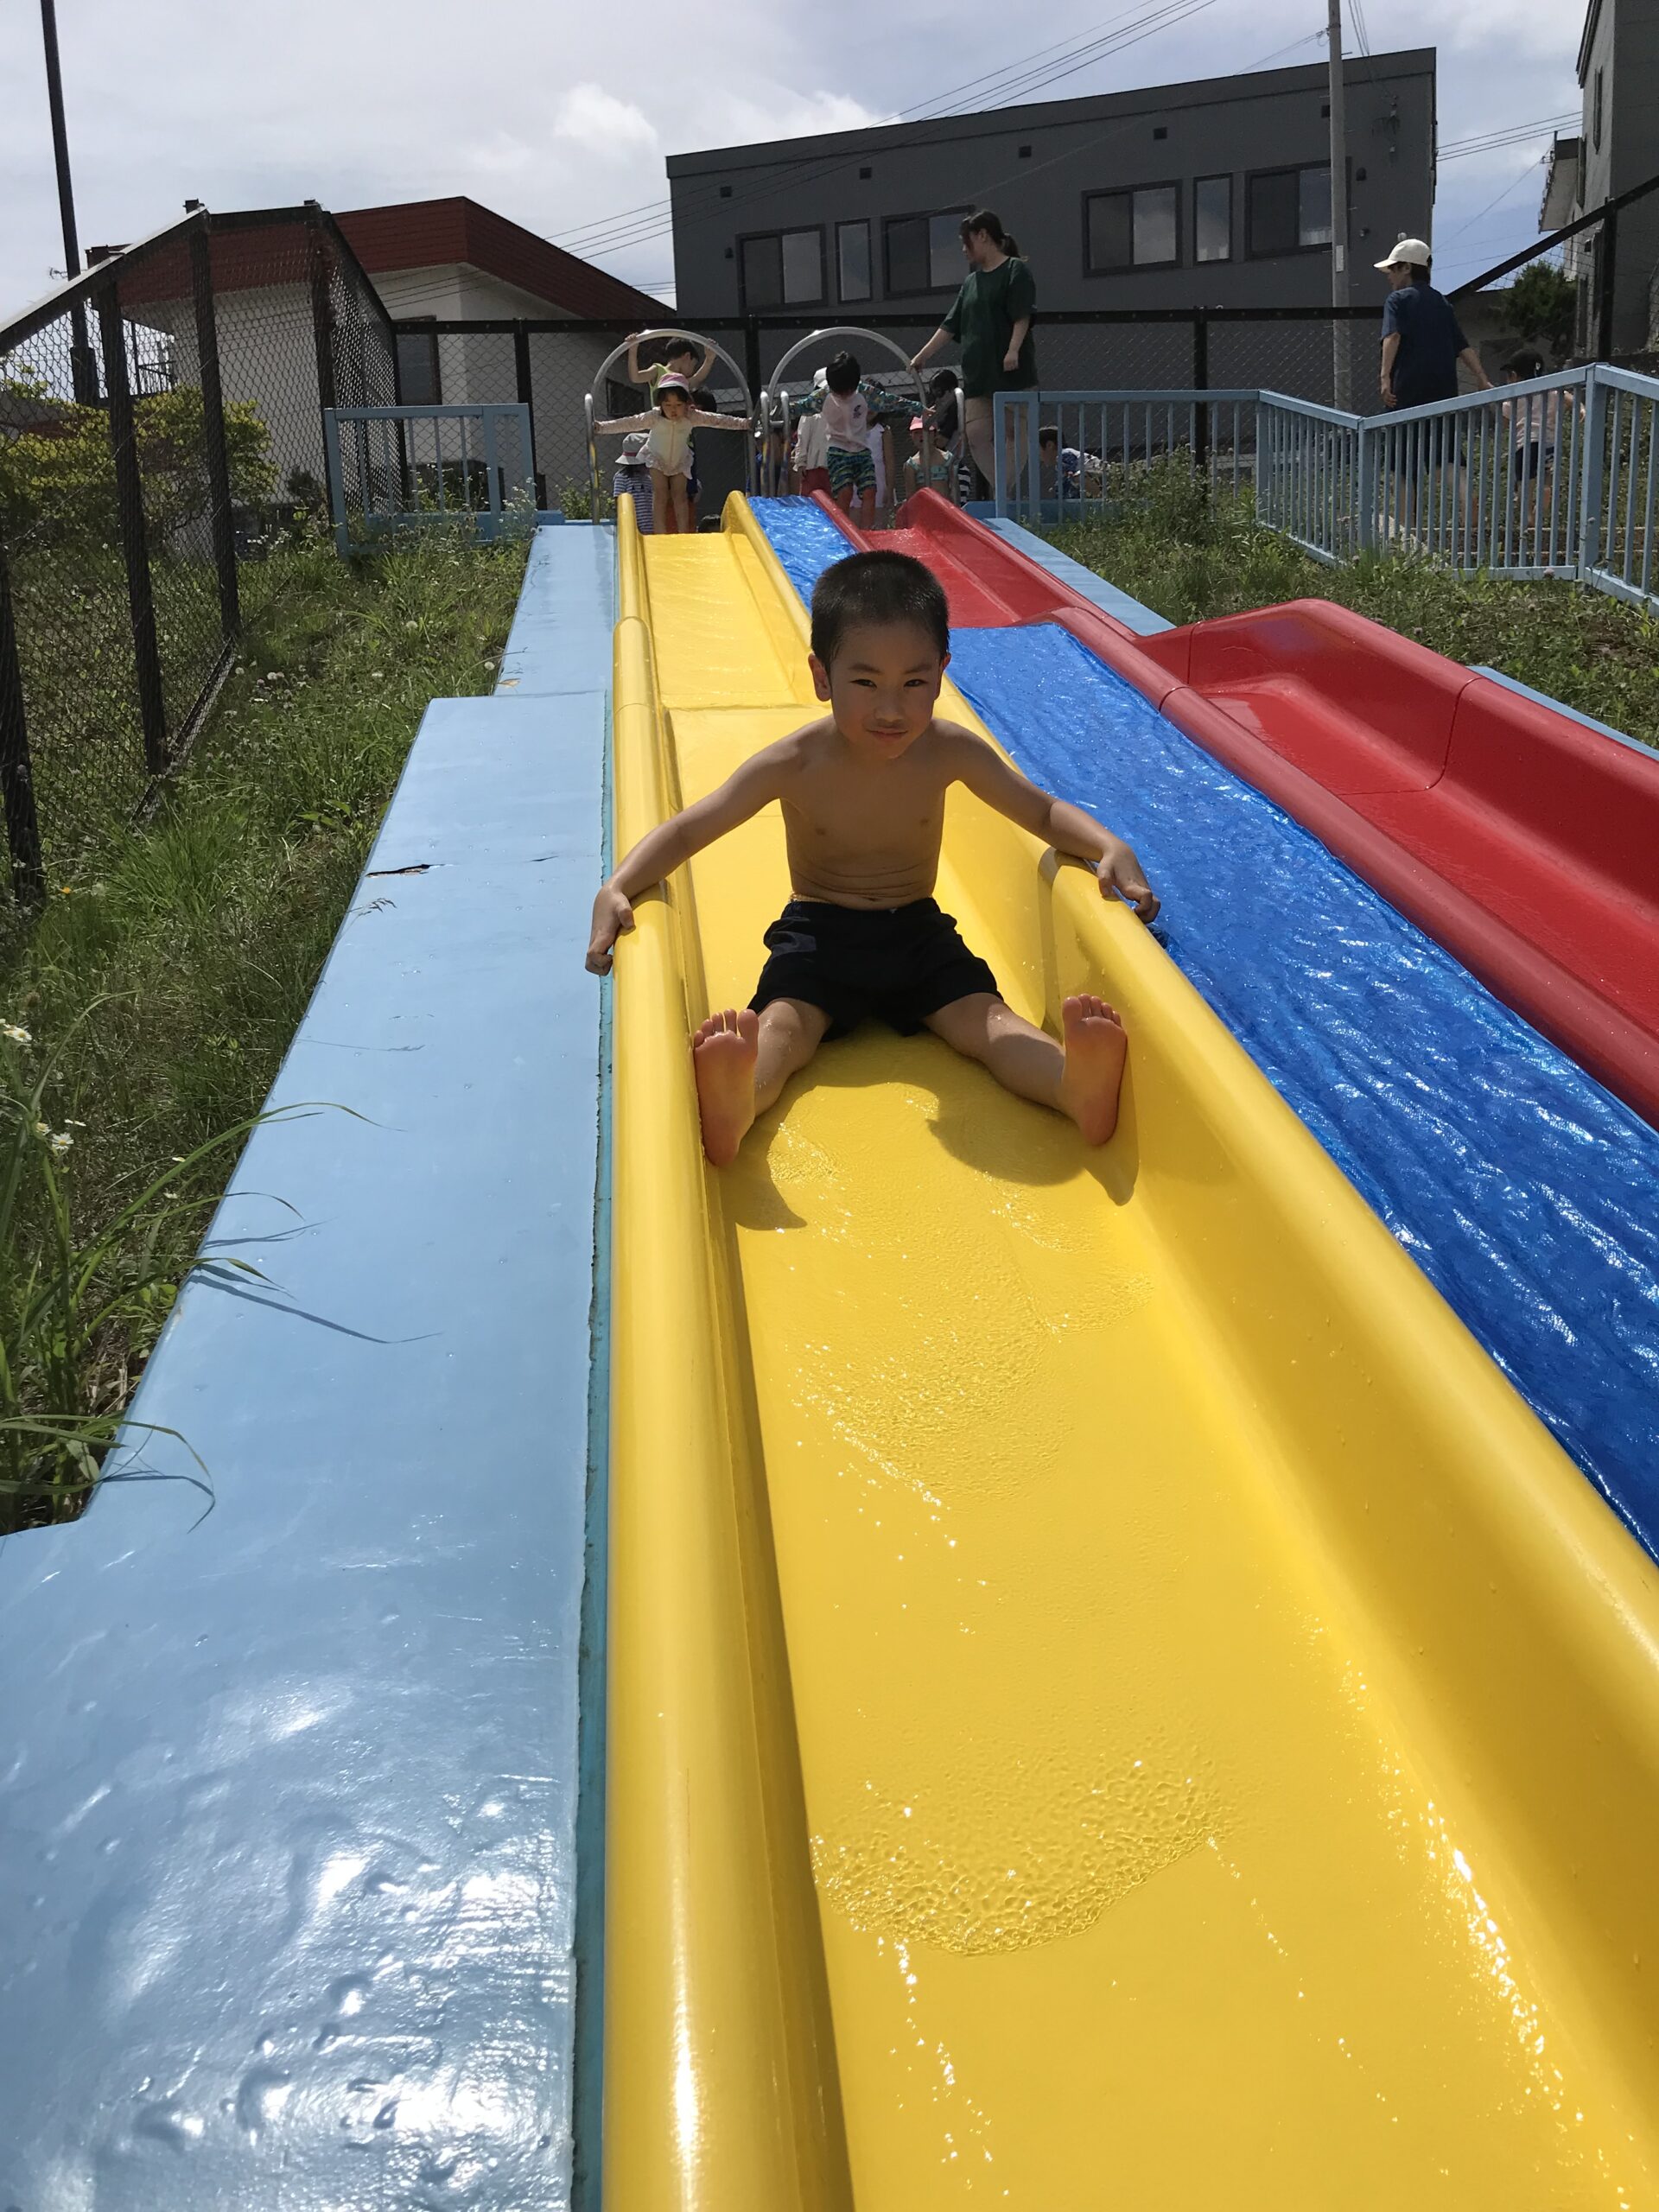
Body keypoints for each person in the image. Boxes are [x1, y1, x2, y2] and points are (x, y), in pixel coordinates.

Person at [585, 550, 1159, 1166]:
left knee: (987, 1022)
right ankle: (741, 1100)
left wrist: (1108, 844)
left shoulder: (948, 751)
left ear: (941, 674)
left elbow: (1041, 814)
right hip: (820, 935)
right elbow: (690, 828)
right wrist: (618, 885)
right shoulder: (795, 763)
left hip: (917, 933)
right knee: (785, 1027)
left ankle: (1070, 1086)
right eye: (866, 683)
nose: (892, 709)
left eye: (914, 683)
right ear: (821, 676)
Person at [911, 211, 1036, 498]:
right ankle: (1004, 489)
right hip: (978, 377)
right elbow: (951, 324)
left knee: (1014, 434)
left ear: (983, 235)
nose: (963, 249)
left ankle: (1004, 493)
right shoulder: (971, 283)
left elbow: (1022, 316)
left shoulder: (1015, 270)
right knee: (976, 434)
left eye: (967, 242)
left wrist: (1013, 349)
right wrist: (923, 355)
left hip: (1012, 375)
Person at [594, 373, 748, 534]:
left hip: (679, 460)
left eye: (678, 405)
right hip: (657, 458)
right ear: (660, 404)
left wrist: (744, 424)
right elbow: (629, 423)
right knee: (660, 495)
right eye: (667, 405)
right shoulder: (654, 417)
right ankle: (660, 534)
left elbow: (718, 420)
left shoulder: (691, 416)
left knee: (679, 496)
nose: (673, 410)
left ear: (687, 403)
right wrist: (602, 427)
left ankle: (683, 534)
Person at [1376, 238, 1491, 411]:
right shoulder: (1442, 302)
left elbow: (1393, 336)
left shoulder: (1397, 299)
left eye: (1393, 269)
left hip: (1407, 395)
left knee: (1404, 438)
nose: (1389, 275)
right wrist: (1481, 378)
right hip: (1444, 397)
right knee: (1441, 438)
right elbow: (1462, 347)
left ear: (1407, 268)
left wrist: (1385, 378)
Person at [1500, 352, 1560, 482]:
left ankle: (1524, 502)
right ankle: (1542, 503)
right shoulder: (1550, 392)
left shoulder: (1514, 399)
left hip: (1527, 443)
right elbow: (1567, 397)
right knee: (1546, 481)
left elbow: (1503, 423)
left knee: (1525, 484)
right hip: (1549, 442)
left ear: (1514, 376)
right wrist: (1582, 409)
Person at [626, 333, 713, 400]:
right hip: (659, 421)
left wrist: (709, 359)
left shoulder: (682, 380)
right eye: (693, 365)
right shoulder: (658, 370)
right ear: (687, 356)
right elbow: (636, 377)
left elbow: (698, 377)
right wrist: (633, 350)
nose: (692, 372)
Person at [613, 429, 654, 531]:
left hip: (651, 526)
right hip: (633, 528)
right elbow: (619, 501)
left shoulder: (650, 478)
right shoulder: (622, 477)